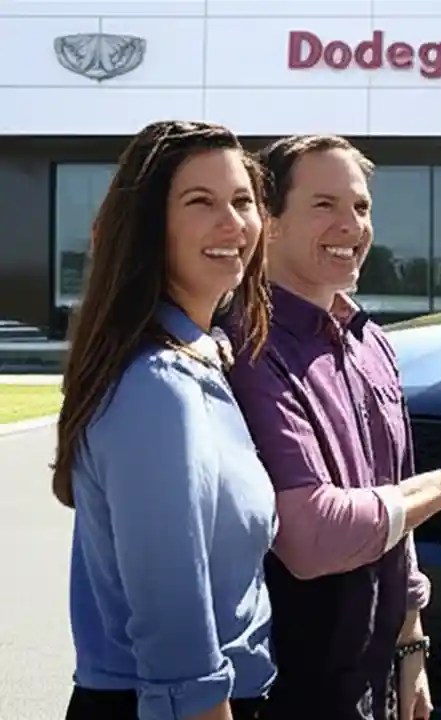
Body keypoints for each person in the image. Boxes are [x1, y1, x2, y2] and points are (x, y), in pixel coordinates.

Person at [222, 133, 441, 720]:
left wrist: (411, 645)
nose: (351, 226)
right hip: (286, 685)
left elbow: (395, 517)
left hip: (373, 678)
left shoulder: (371, 343)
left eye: (360, 207)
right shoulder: (247, 347)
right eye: (324, 205)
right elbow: (309, 538)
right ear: (269, 222)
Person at [54, 120, 276, 720]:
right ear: (151, 227)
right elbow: (171, 609)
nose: (233, 224)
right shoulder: (157, 386)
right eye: (201, 202)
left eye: (243, 201)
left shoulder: (199, 357)